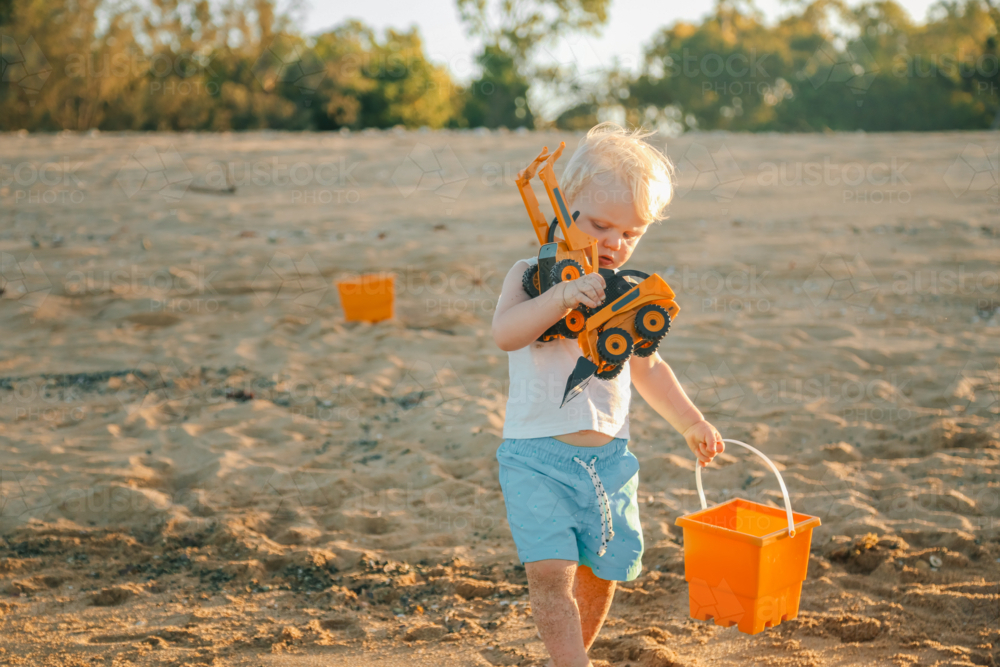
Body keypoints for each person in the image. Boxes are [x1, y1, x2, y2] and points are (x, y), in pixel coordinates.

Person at [492, 122, 725, 667]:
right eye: (601, 226)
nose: (616, 244)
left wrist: (690, 422)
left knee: (604, 569)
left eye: (632, 233)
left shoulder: (626, 291)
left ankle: (569, 658)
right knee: (550, 573)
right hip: (536, 457)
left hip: (608, 459)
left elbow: (648, 366)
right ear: (563, 206)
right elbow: (507, 333)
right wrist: (563, 296)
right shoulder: (532, 275)